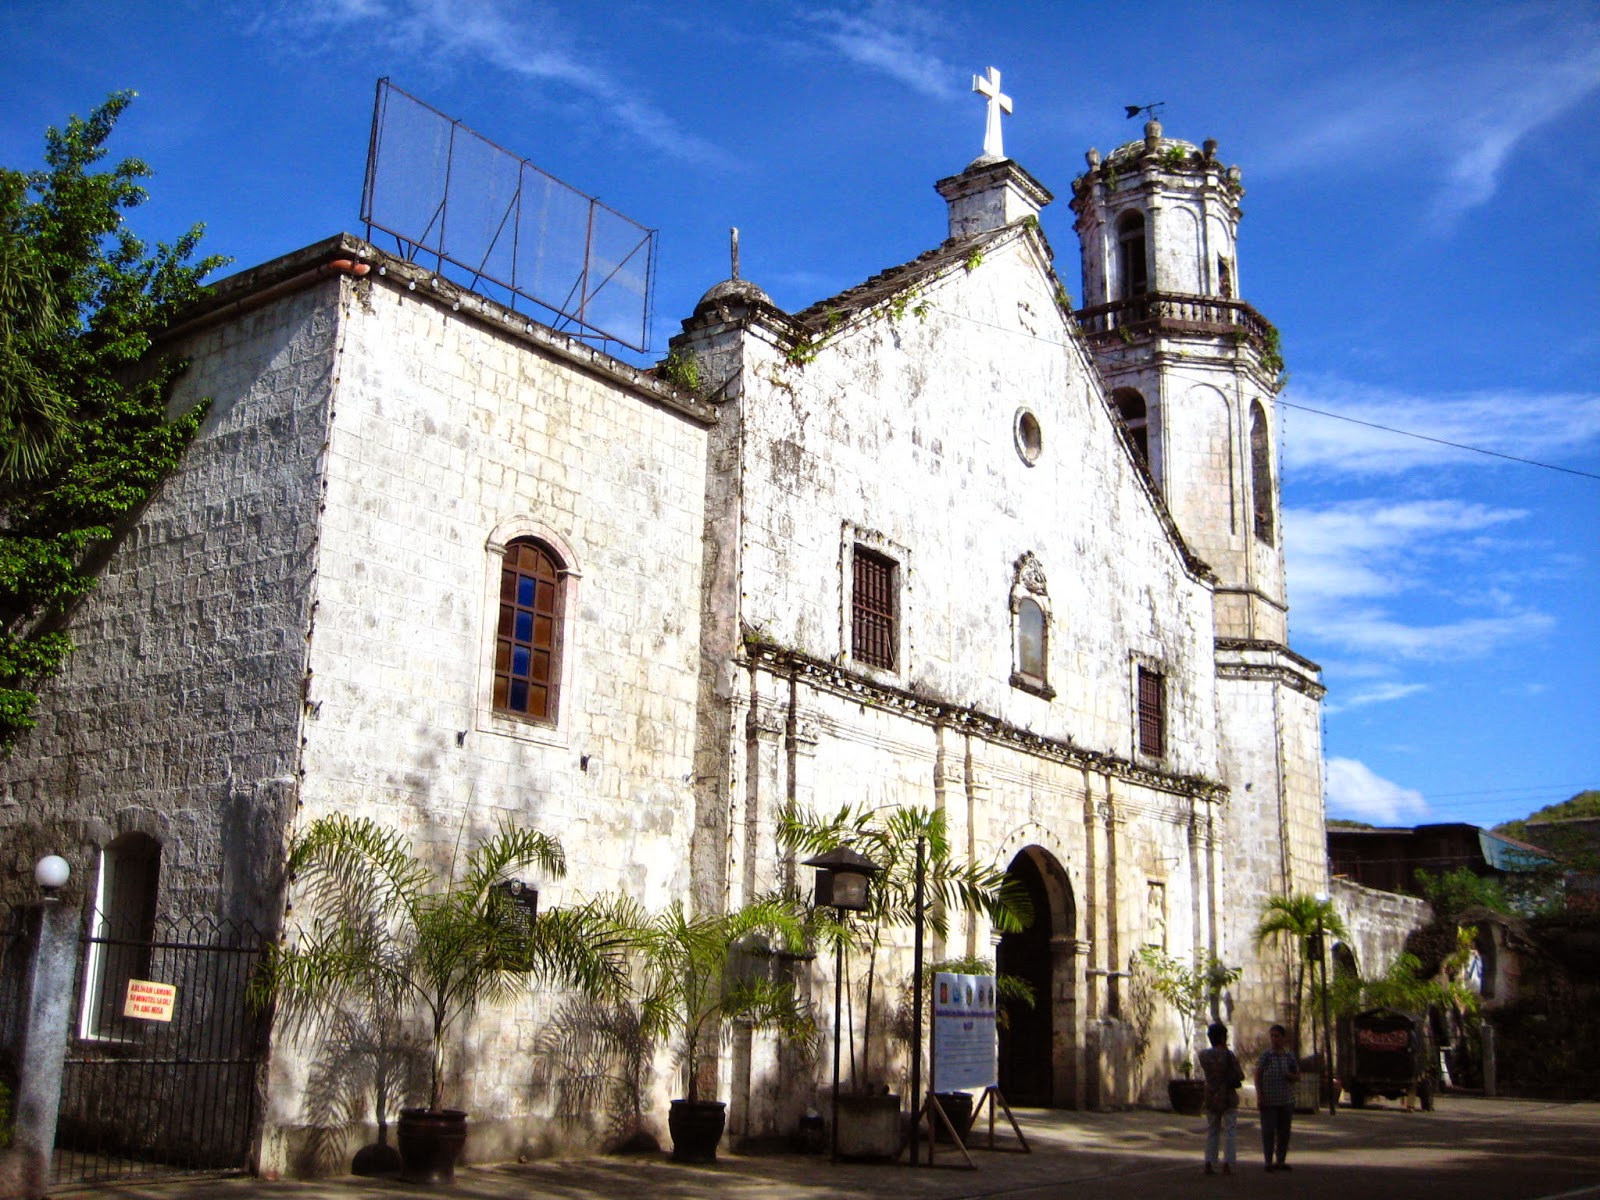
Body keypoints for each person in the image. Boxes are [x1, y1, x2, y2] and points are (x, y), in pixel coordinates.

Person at [1197, 1021, 1244, 1175]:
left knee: (1212, 1130)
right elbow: (1239, 1075)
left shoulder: (1203, 1055)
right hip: (1227, 1096)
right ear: (1223, 1037)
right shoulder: (1228, 1055)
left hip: (1210, 1094)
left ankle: (1209, 1162)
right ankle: (1227, 1164)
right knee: (1230, 1129)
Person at [1255, 1023, 1300, 1172]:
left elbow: (1297, 1076)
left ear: (1283, 1038)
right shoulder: (1266, 1056)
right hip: (1269, 1100)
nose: (1274, 1039)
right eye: (1272, 1036)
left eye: (1277, 1036)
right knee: (1269, 1131)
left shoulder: (1289, 1057)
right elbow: (1258, 1075)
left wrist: (1290, 1076)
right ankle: (1268, 1161)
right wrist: (1260, 1095)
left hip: (1286, 1099)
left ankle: (1280, 1160)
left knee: (1284, 1131)